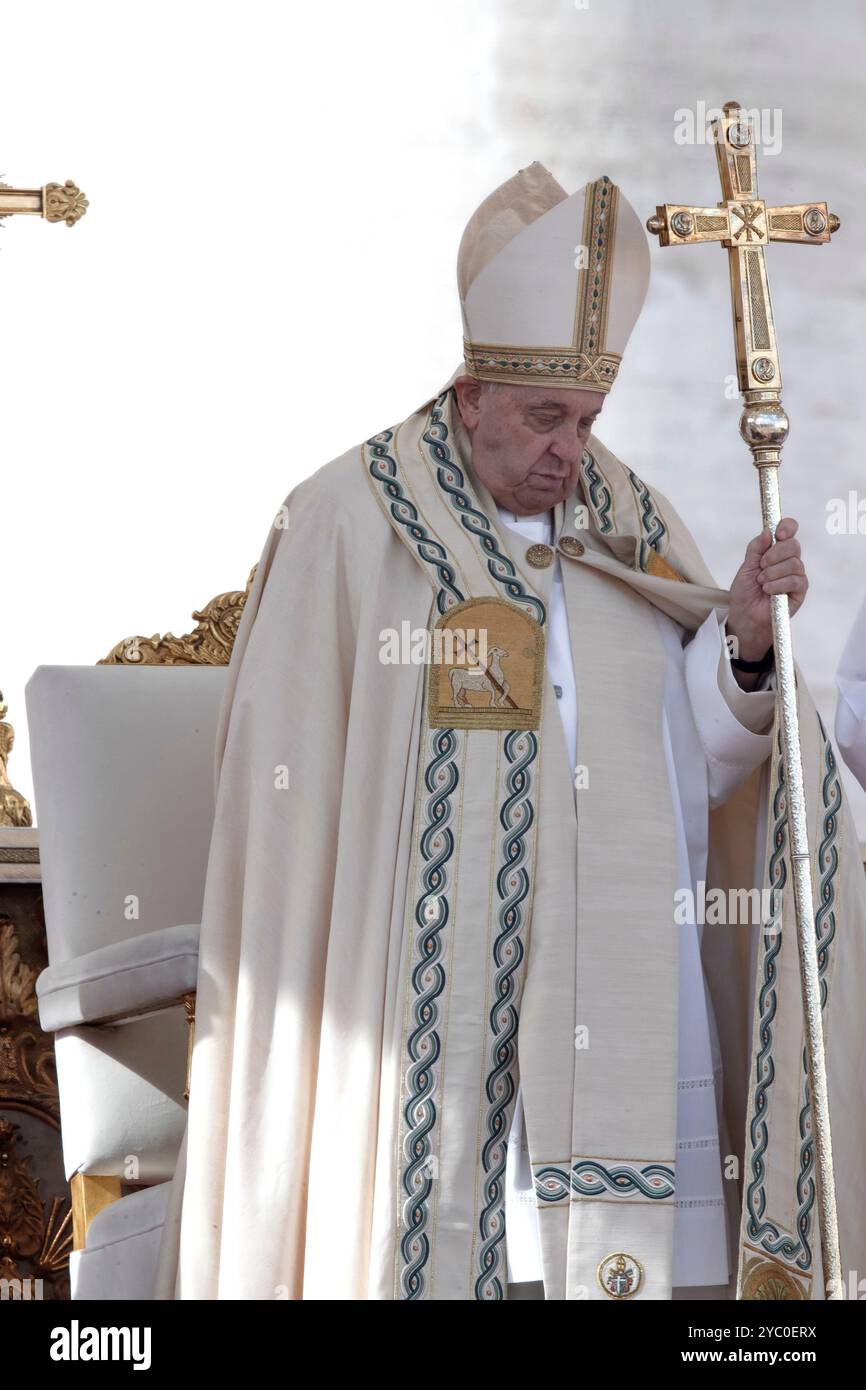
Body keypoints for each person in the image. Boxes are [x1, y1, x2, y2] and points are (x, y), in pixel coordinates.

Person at [155, 163, 866, 1301]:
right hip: (411, 1007)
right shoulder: (349, 522)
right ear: (471, 391)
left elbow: (699, 765)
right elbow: (288, 823)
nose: (567, 451)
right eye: (544, 417)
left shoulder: (621, 523)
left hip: (621, 982)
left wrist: (735, 642)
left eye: (585, 420)